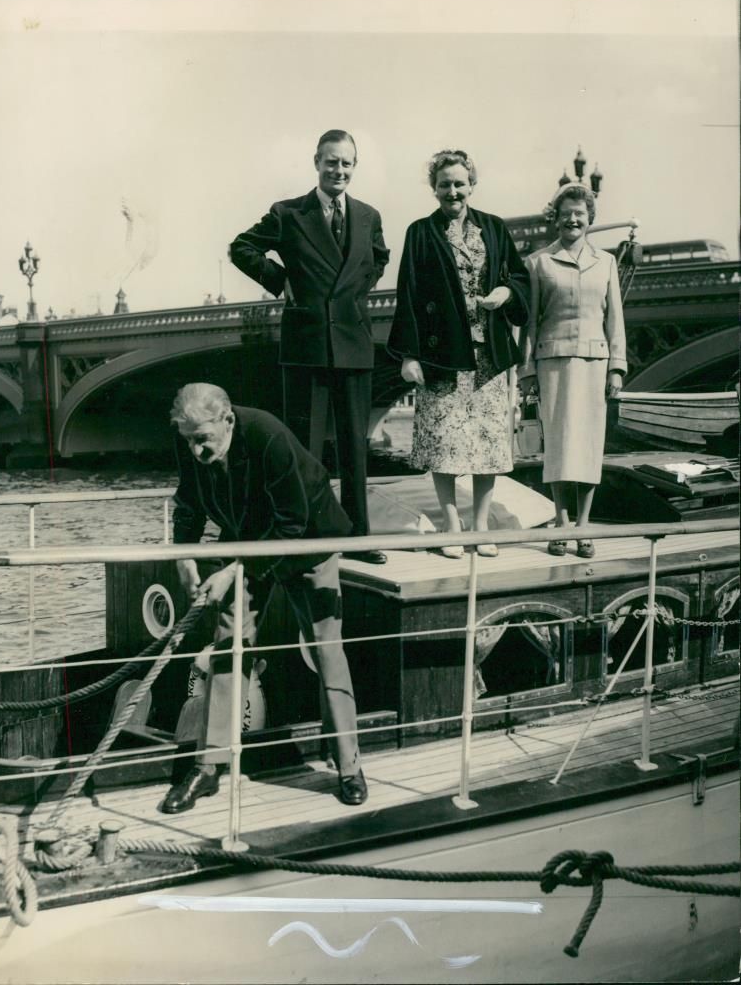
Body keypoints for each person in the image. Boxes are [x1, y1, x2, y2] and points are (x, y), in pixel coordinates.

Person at [160, 383, 368, 813]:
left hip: (308, 541)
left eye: (203, 440)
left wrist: (232, 569)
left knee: (326, 648)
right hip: (249, 542)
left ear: (229, 420)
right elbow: (188, 504)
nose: (197, 451)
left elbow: (291, 522)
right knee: (227, 648)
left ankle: (349, 766)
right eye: (189, 441)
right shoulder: (192, 439)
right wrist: (185, 554)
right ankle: (209, 767)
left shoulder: (267, 435)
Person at [230, 129, 390, 565]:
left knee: (355, 447)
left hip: (354, 344)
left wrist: (354, 293)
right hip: (306, 346)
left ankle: (359, 537)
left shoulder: (368, 215)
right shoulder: (289, 214)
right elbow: (240, 247)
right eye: (331, 162)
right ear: (316, 162)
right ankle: (308, 537)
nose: (339, 170)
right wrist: (278, 279)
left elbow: (378, 257)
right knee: (304, 447)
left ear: (354, 167)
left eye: (347, 163)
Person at [386, 149, 530, 558]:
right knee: (444, 443)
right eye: (445, 184)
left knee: (487, 446)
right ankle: (452, 527)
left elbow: (519, 278)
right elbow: (409, 294)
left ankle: (481, 527)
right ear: (434, 188)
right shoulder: (419, 232)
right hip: (442, 354)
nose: (453, 192)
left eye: (460, 184)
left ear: (472, 185)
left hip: (488, 354)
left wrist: (506, 292)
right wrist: (409, 355)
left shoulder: (495, 228)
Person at [518, 183, 627, 558]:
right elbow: (530, 323)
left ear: (589, 218)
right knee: (559, 447)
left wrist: (617, 367)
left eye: (579, 213)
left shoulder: (607, 262)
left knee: (589, 447)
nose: (573, 219)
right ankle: (561, 525)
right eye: (566, 214)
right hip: (552, 363)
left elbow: (615, 320)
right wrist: (526, 371)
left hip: (595, 364)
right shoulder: (538, 263)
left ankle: (584, 527)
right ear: (556, 219)